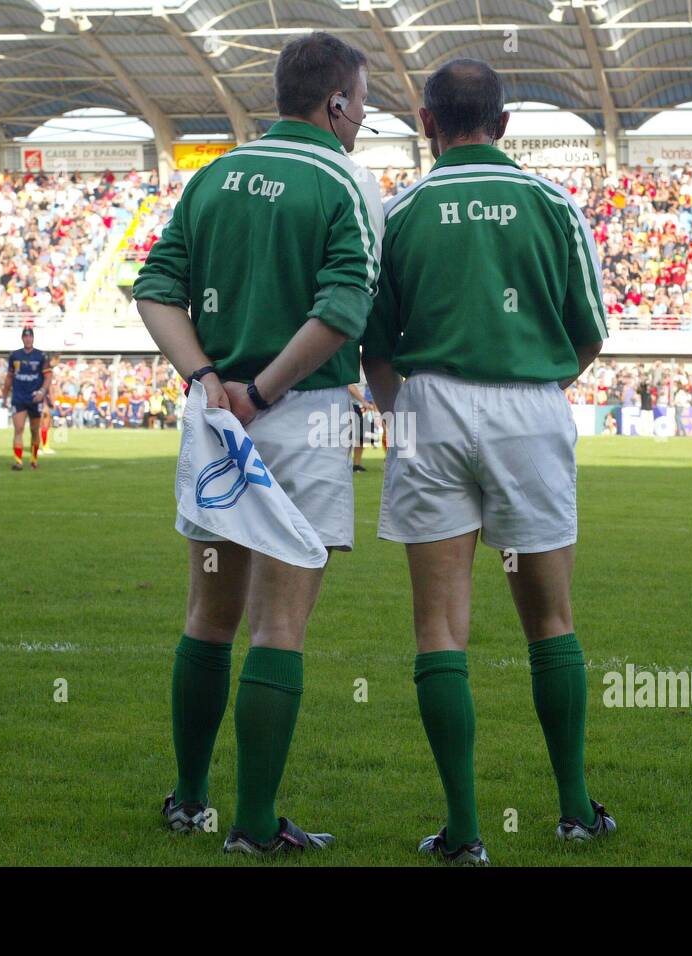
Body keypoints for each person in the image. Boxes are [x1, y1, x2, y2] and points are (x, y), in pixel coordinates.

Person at [134, 31, 382, 856]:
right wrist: (264, 390)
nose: (364, 115)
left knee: (208, 614)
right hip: (299, 416)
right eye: (363, 100)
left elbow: (156, 289)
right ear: (337, 103)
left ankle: (190, 799)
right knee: (279, 626)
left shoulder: (213, 177)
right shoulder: (347, 182)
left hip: (214, 420)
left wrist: (208, 379)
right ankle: (251, 824)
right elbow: (345, 309)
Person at [362, 59, 613, 865]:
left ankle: (464, 832)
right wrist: (534, 387)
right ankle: (575, 810)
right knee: (549, 618)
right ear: (503, 124)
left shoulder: (397, 214)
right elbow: (589, 335)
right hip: (530, 409)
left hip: (429, 403)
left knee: (440, 626)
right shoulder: (553, 204)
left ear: (426, 122)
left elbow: (376, 348)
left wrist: (412, 415)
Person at [1, 327, 51, 470]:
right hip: (19, 397)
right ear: (22, 338)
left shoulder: (41, 356)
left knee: (35, 430)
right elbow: (9, 377)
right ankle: (18, 461)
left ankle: (34, 459)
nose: (28, 339)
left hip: (35, 398)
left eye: (30, 336)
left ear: (33, 338)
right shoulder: (15, 356)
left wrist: (42, 391)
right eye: (25, 336)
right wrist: (5, 397)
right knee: (19, 429)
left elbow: (48, 376)